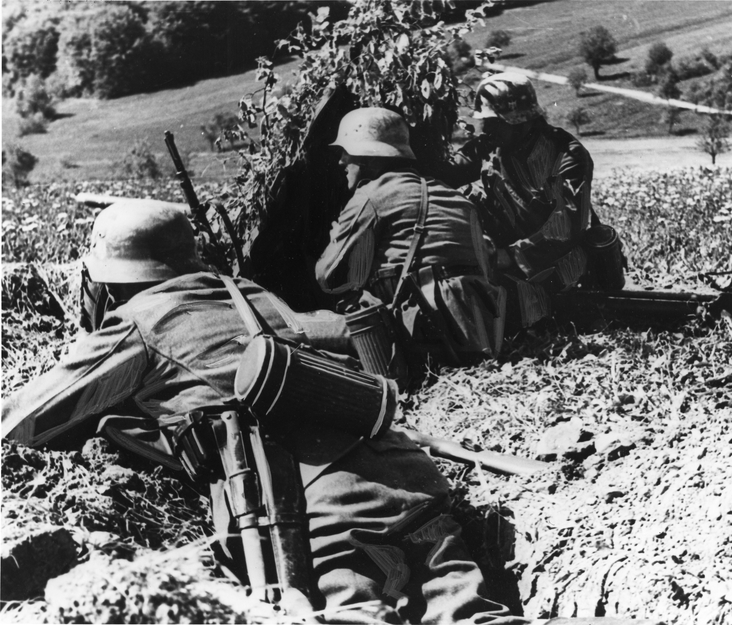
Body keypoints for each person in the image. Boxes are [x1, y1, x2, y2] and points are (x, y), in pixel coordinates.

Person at [1, 200, 527, 625]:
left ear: (112, 278)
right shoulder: (251, 294)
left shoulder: (139, 322)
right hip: (411, 480)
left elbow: (25, 420)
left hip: (321, 513)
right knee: (472, 615)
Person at [315, 107, 506, 372]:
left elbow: (328, 277)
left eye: (345, 152)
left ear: (367, 156)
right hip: (483, 335)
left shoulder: (371, 196)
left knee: (300, 332)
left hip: (426, 337)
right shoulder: (452, 196)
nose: (341, 162)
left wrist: (340, 240)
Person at [437, 72, 615, 333]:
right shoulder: (492, 145)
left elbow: (565, 228)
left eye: (492, 122)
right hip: (512, 258)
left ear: (518, 120)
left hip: (559, 261)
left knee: (504, 312)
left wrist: (508, 257)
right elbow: (449, 172)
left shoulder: (566, 154)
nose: (485, 129)